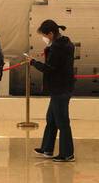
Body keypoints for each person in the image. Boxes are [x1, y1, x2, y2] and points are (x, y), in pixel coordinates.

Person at [29, 19, 74, 161]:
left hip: (60, 88)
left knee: (62, 122)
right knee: (52, 119)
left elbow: (50, 69)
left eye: (45, 35)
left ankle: (67, 154)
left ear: (51, 33)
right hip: (62, 87)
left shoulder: (57, 47)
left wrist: (33, 62)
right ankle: (47, 148)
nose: (44, 38)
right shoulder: (65, 43)